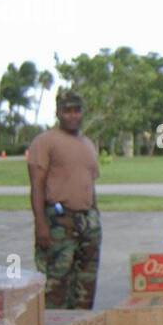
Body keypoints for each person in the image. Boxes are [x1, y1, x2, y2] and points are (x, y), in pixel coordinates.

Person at [26, 89, 101, 309]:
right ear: (58, 112)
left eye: (77, 110)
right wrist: (40, 224)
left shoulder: (87, 144)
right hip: (59, 221)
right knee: (57, 285)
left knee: (86, 285)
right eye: (67, 111)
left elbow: (90, 183)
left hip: (88, 221)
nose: (72, 115)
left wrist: (95, 214)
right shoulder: (45, 141)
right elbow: (37, 185)